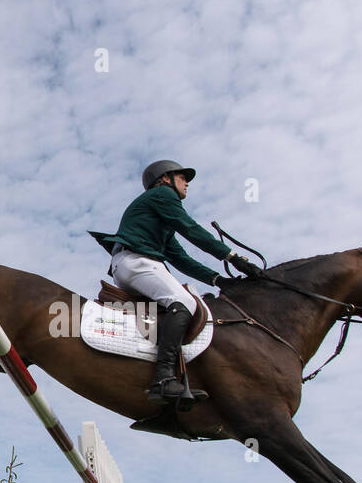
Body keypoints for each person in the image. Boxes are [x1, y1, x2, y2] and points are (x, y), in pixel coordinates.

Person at [90, 159, 263, 402]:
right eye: (183, 178)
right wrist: (232, 257)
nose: (187, 183)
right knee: (184, 302)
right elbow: (191, 229)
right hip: (137, 262)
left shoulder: (160, 219)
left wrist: (218, 280)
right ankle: (163, 378)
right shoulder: (162, 195)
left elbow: (181, 258)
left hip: (132, 265)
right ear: (165, 179)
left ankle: (164, 369)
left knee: (181, 301)